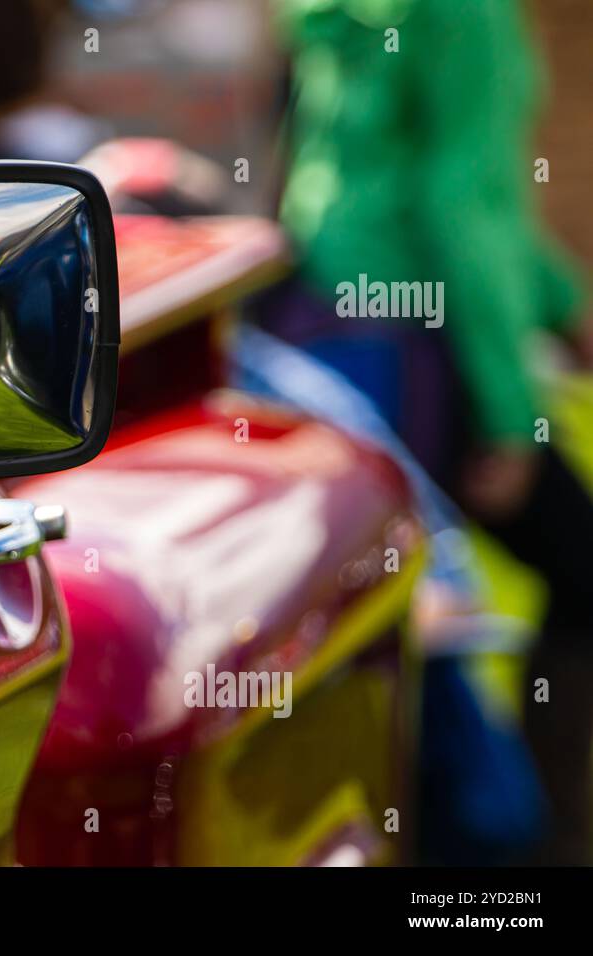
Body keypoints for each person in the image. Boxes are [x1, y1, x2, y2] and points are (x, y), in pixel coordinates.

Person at [265, 0, 591, 862]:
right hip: (415, 336)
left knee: (383, 615)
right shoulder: (467, 13)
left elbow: (407, 183)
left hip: (328, 329)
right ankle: (533, 837)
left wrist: (564, 305)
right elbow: (462, 206)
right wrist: (513, 415)